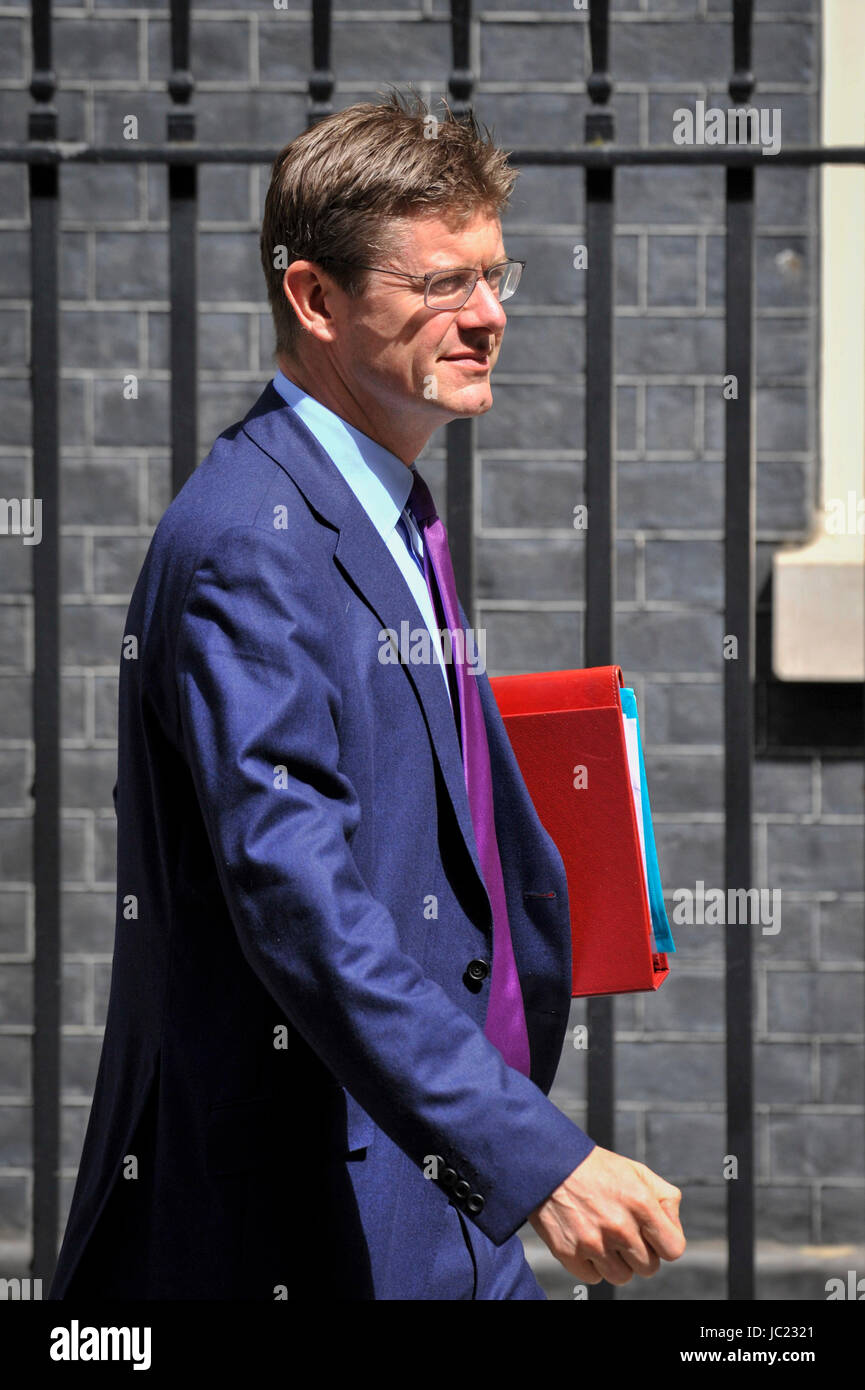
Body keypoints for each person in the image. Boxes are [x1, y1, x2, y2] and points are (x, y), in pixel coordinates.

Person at [49, 89, 685, 1301]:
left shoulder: (378, 503)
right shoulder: (252, 540)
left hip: (435, 1198)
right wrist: (534, 1158)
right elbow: (298, 895)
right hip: (316, 1221)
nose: (487, 315)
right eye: (442, 283)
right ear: (315, 298)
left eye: (494, 275)